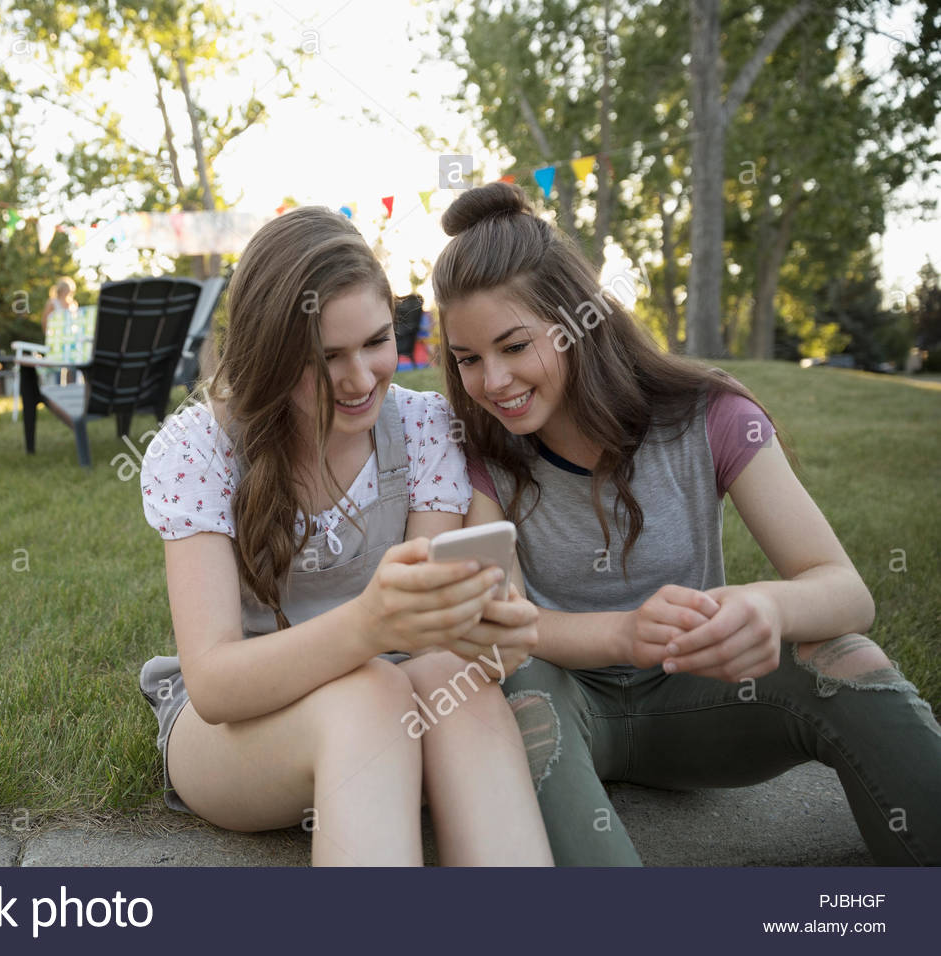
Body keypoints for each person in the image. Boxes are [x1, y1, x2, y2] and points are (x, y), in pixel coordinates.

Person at [432, 181, 941, 866]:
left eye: (514, 346)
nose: (492, 381)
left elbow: (847, 593)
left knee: (847, 657)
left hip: (699, 703)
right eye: (467, 359)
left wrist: (764, 606)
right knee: (519, 690)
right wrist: (622, 632)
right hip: (564, 704)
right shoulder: (479, 450)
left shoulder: (712, 414)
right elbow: (503, 627)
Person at [137, 207, 552, 867]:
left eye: (376, 342)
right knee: (369, 694)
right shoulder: (203, 446)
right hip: (238, 729)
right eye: (325, 359)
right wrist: (368, 624)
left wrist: (490, 636)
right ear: (269, 356)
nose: (361, 381)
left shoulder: (422, 429)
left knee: (452, 679)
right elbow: (214, 684)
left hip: (399, 702)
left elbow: (431, 641)